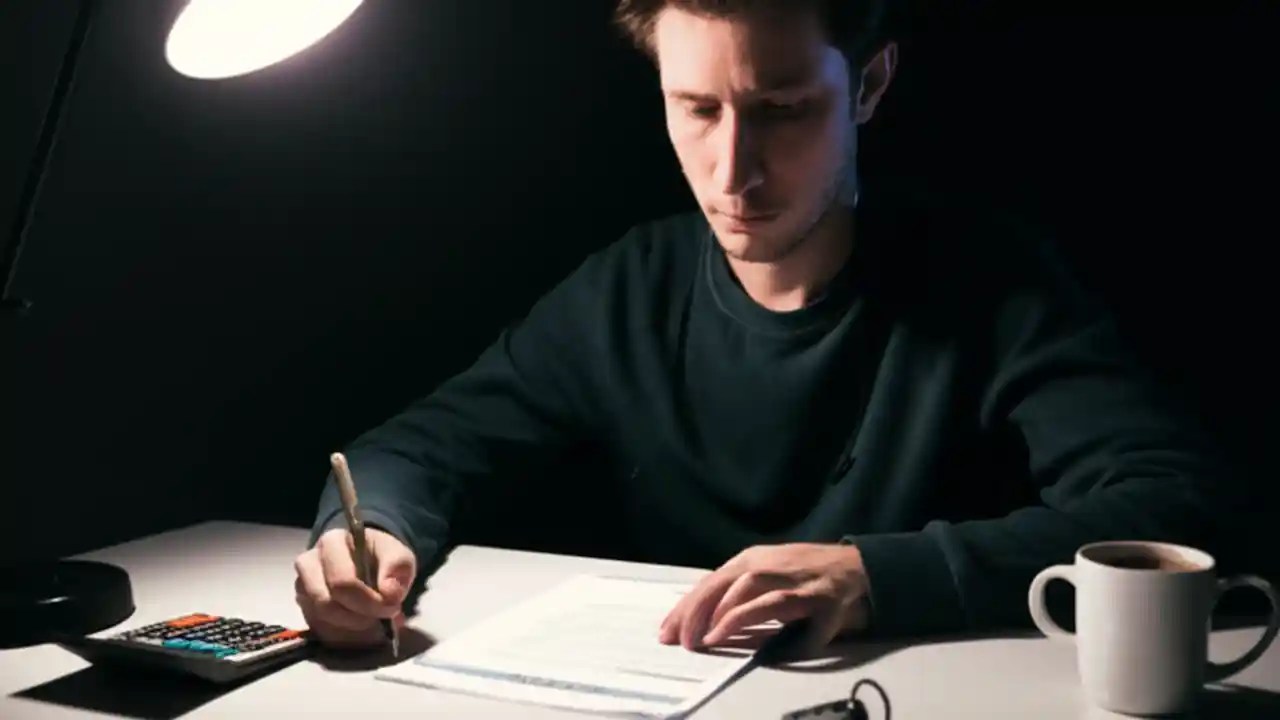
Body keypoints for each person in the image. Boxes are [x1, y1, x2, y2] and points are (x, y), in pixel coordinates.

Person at [293, 0, 1244, 653]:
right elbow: (425, 447)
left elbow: (1183, 508)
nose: (732, 172)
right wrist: (365, 533)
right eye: (696, 109)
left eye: (782, 111)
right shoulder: (630, 287)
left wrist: (876, 576)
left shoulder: (990, 284)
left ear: (868, 85)